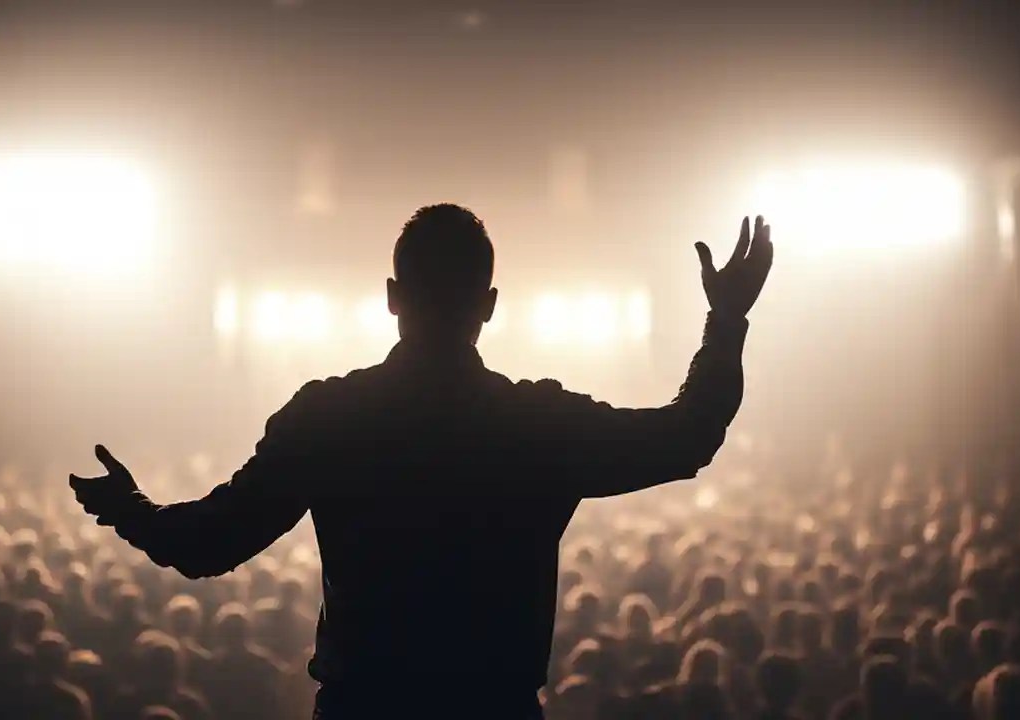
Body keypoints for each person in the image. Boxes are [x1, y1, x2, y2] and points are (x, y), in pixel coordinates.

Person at [70, 205, 773, 719]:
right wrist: (727, 320)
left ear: (392, 297)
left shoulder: (330, 416)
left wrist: (131, 509)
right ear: (490, 306)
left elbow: (208, 544)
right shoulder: (536, 424)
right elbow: (688, 438)